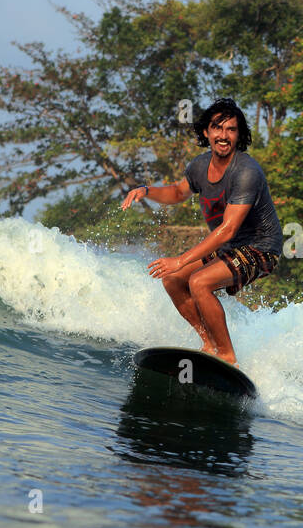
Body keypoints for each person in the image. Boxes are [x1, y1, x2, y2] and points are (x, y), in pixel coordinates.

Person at [120, 98, 283, 365]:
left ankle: (227, 356)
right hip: (230, 247)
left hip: (261, 247)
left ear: (238, 135)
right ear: (206, 132)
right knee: (173, 280)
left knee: (199, 282)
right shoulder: (199, 166)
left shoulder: (246, 171)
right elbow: (176, 192)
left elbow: (229, 229)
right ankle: (209, 344)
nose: (223, 135)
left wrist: (180, 259)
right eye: (217, 128)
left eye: (231, 129)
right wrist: (146, 190)